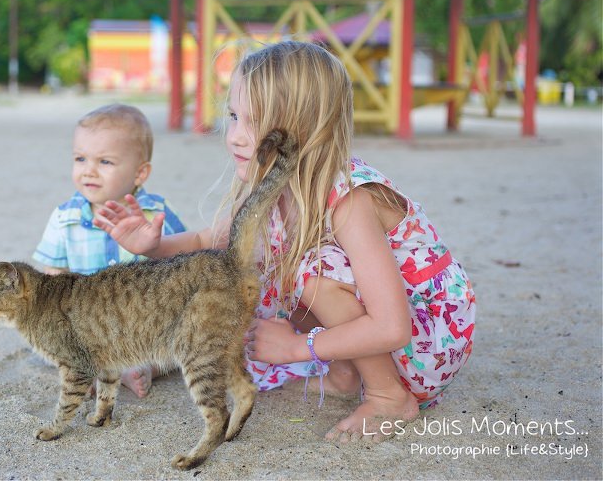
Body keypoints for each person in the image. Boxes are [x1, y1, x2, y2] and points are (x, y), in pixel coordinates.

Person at [92, 41, 476, 441]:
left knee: (309, 271)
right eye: (234, 116)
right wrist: (151, 246)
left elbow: (393, 327)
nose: (236, 137)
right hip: (377, 329)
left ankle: (387, 395)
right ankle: (346, 373)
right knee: (273, 266)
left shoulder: (350, 200)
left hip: (427, 335)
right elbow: (210, 240)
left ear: (304, 129)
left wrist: (296, 348)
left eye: (253, 121)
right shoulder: (268, 187)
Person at [33, 103, 186, 397]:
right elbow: (51, 277)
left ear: (140, 173)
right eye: (80, 158)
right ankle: (89, 369)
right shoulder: (65, 218)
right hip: (90, 324)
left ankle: (143, 369)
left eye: (105, 162)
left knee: (183, 337)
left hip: (143, 322)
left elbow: (182, 263)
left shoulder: (156, 213)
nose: (88, 171)